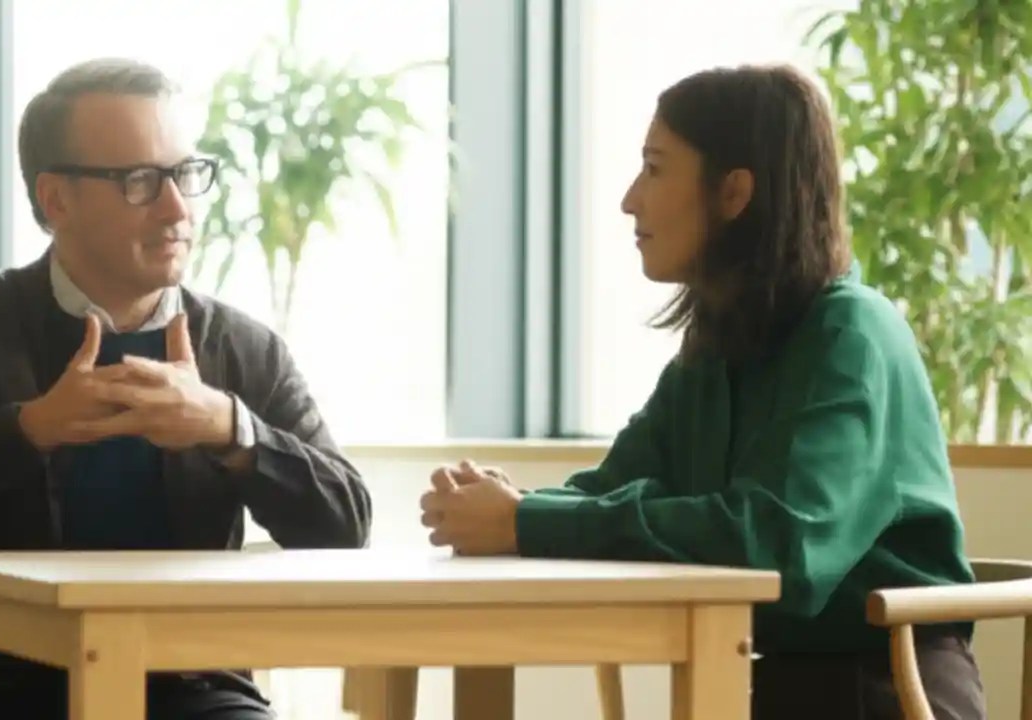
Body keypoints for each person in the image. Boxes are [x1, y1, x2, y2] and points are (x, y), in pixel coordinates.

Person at [419, 64, 984, 720]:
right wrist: (508, 505)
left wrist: (525, 520)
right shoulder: (713, 351)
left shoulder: (849, 334)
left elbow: (778, 550)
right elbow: (611, 489)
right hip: (755, 686)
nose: (630, 199)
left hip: (878, 694)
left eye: (655, 168)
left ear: (734, 192)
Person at [0, 57, 371, 720]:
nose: (177, 208)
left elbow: (346, 524)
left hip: (188, 689)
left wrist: (229, 430)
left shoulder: (241, 348)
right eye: (140, 181)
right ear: (56, 200)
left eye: (186, 174)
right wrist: (28, 429)